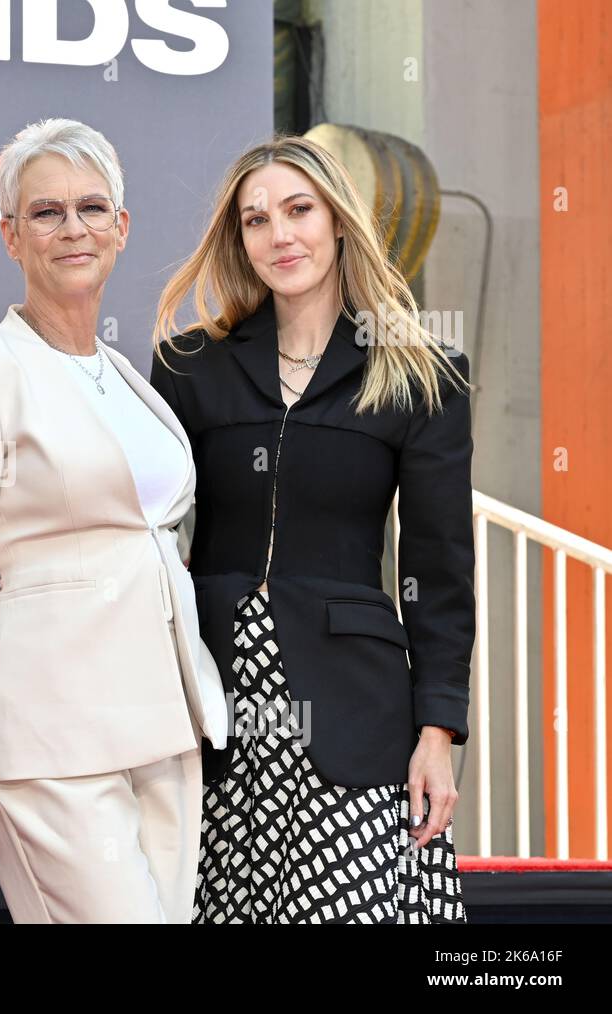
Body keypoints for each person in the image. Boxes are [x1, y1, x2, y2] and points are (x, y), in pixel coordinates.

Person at [0, 118, 227, 924]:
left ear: (122, 227)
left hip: (165, 722)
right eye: (45, 212)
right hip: (49, 733)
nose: (71, 228)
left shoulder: (127, 376)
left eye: (90, 207)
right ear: (9, 235)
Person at [149, 136, 472, 922]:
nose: (279, 235)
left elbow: (439, 568)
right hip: (213, 713)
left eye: (299, 210)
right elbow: (145, 527)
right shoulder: (191, 365)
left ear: (338, 222)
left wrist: (439, 731)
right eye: (256, 220)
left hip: (355, 715)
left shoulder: (421, 371)